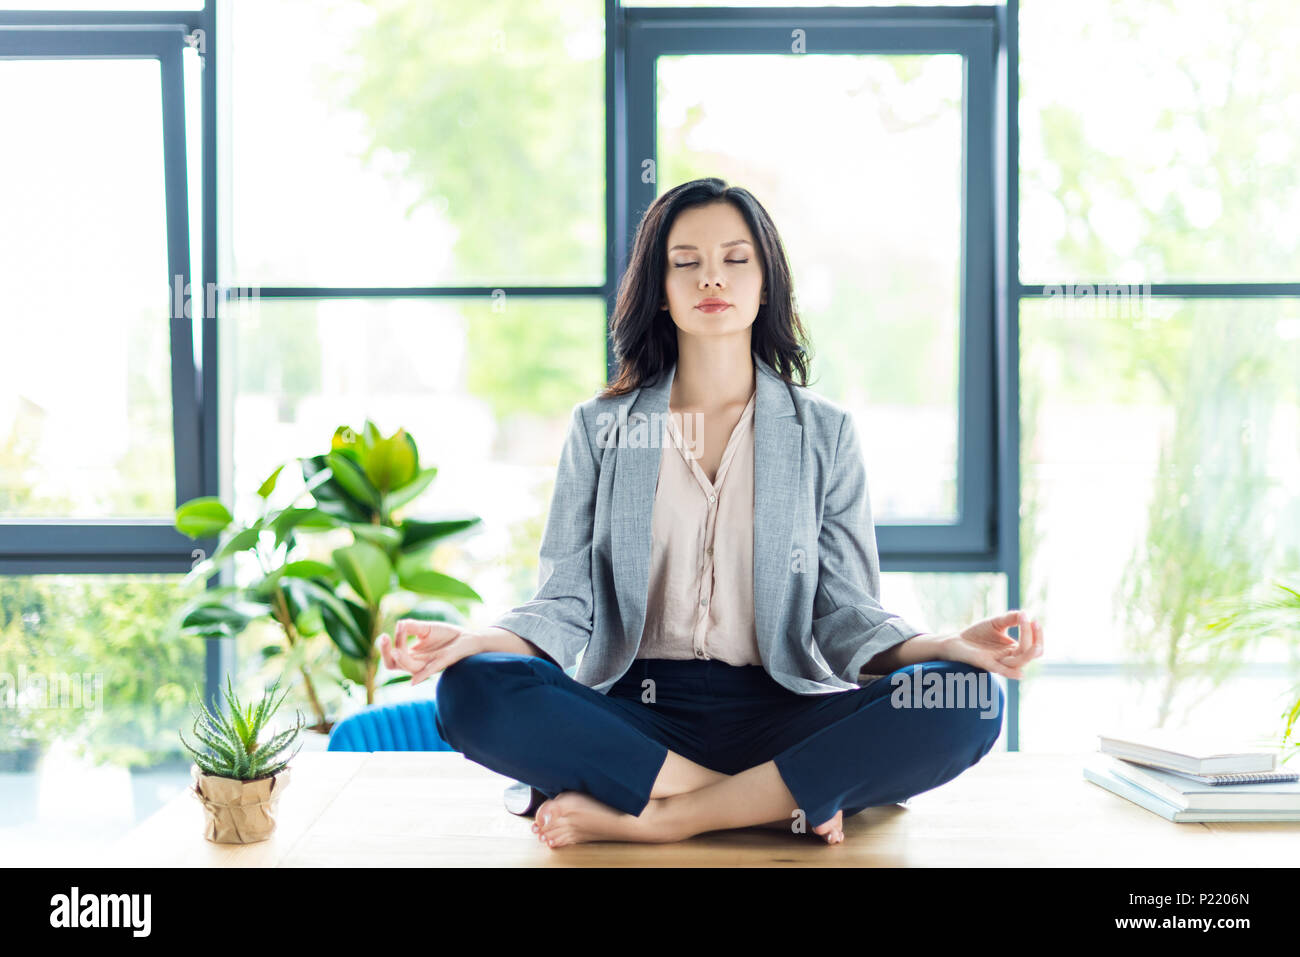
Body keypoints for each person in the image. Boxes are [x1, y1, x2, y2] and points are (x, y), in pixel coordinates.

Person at [378, 177, 1044, 849]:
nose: (711, 279)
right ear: (660, 291)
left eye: (735, 258)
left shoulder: (826, 433)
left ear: (766, 282)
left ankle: (670, 813)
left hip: (783, 710)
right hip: (637, 713)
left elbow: (847, 618)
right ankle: (773, 798)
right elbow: (564, 602)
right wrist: (472, 641)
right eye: (685, 262)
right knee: (471, 689)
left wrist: (946, 645)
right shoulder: (600, 428)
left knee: (970, 697)